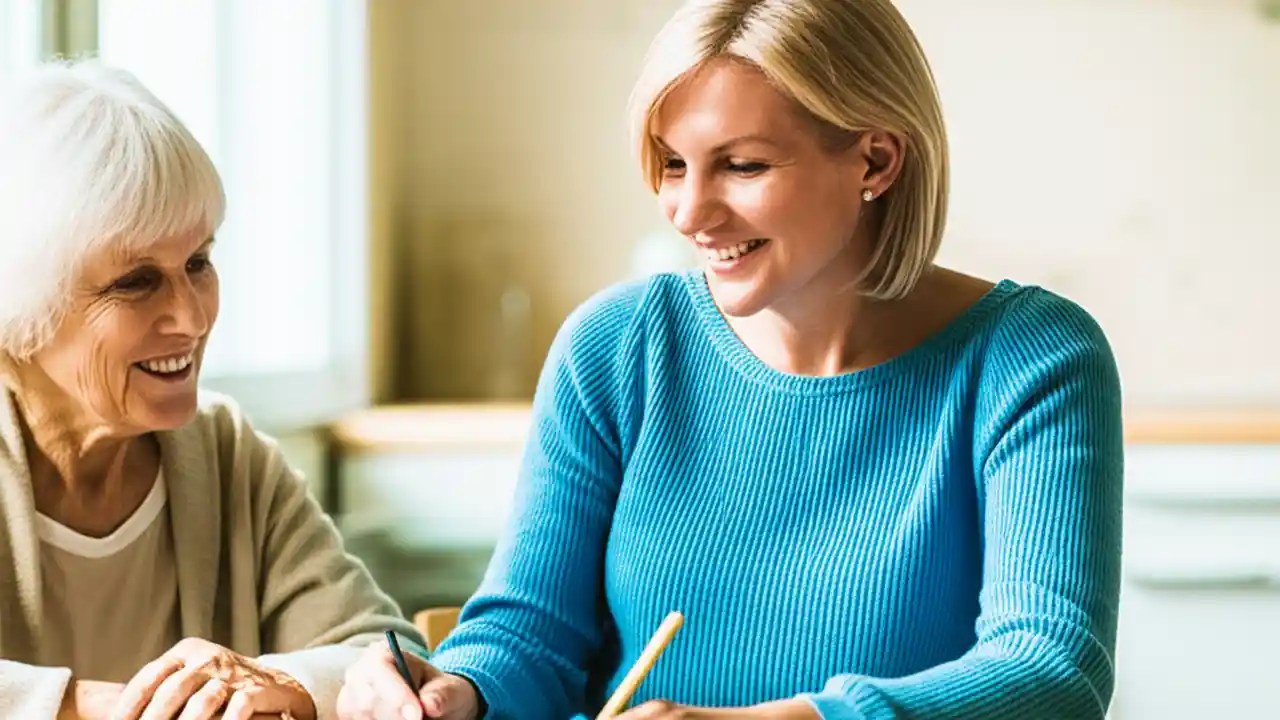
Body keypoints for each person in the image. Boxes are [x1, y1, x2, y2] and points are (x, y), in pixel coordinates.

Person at [339, 0, 1123, 718]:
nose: (690, 211)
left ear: (877, 161)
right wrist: (456, 691)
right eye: (673, 164)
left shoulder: (1030, 358)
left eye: (742, 165)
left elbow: (1051, 669)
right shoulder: (613, 347)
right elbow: (529, 633)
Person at [0, 61, 424, 720]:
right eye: (137, 281)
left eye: (198, 263)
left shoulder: (226, 454)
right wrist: (90, 705)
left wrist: (274, 682)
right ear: (22, 311)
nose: (193, 318)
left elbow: (387, 654)